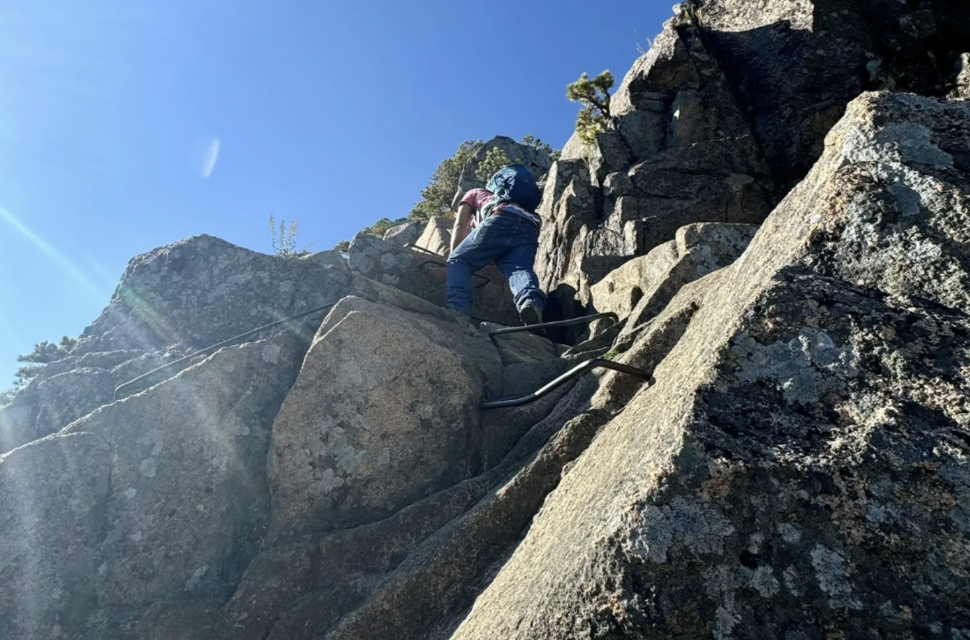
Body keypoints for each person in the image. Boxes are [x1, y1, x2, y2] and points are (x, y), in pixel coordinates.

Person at [446, 164, 546, 326]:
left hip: (500, 218)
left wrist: (454, 254)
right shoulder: (506, 199)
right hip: (530, 226)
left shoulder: (473, 193)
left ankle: (458, 309)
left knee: (458, 261)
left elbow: (460, 225)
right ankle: (530, 302)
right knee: (519, 270)